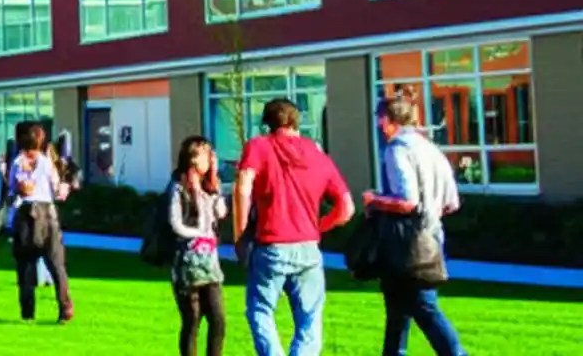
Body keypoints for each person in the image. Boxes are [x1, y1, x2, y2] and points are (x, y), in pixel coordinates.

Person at [234, 98, 354, 356]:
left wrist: (240, 233)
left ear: (267, 124)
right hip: (309, 247)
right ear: (297, 122)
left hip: (272, 245)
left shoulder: (259, 147)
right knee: (310, 320)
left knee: (260, 310)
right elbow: (347, 208)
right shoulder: (316, 153)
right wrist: (318, 227)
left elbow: (244, 185)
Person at [364, 94, 467, 356]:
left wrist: (375, 200)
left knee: (424, 307)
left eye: (379, 118)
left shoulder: (397, 148)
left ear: (388, 119)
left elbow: (407, 201)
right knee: (397, 311)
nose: (378, 124)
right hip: (432, 237)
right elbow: (452, 203)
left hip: (407, 244)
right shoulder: (431, 149)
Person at [0, 122, 73, 324]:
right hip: (47, 215)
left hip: (25, 215)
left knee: (25, 266)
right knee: (56, 265)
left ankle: (28, 312)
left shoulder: (17, 163)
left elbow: (13, 191)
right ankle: (65, 308)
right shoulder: (46, 162)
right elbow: (58, 190)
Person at [168, 136, 227, 356]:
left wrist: (215, 186)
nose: (211, 159)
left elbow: (221, 213)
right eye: (206, 154)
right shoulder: (178, 186)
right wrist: (200, 234)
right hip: (186, 263)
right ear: (193, 158)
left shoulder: (210, 185)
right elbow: (175, 223)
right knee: (192, 320)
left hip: (210, 264)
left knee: (218, 319)